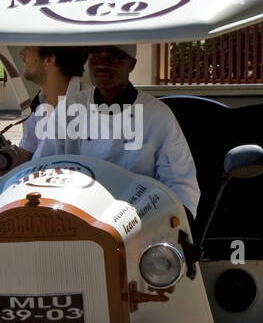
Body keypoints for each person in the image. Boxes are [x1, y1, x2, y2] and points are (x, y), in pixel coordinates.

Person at [0, 45, 87, 234]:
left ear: (50, 59)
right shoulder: (43, 105)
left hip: (60, 202)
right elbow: (25, 158)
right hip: (34, 193)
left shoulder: (82, 106)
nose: (21, 53)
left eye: (28, 48)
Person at [81, 44, 201, 220]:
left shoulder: (157, 115)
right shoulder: (70, 108)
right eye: (95, 56)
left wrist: (177, 225)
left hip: (139, 224)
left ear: (132, 64)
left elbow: (180, 183)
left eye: (114, 58)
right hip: (78, 221)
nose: (103, 64)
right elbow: (44, 165)